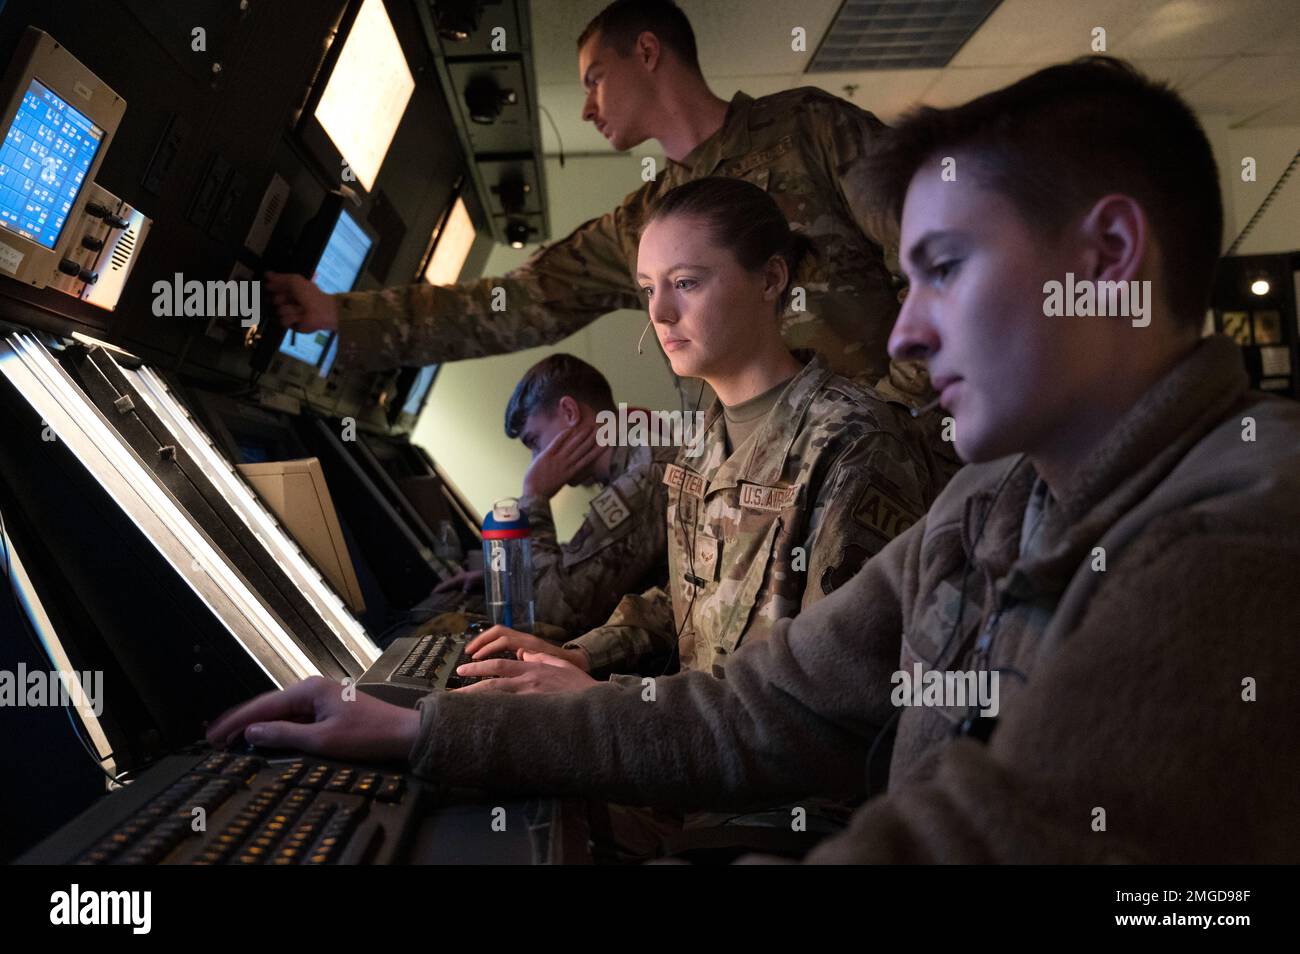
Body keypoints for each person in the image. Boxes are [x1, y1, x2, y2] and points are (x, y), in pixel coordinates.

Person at [209, 58, 1300, 863]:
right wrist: (425, 728)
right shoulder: (990, 503)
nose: (906, 336)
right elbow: (755, 707)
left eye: (945, 269)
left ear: (1105, 257)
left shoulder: (1238, 538)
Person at [264, 0, 918, 400]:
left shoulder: (807, 127)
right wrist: (339, 314)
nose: (585, 108)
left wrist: (906, 405)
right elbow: (509, 305)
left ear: (648, 52)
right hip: (777, 488)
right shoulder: (642, 224)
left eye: (595, 80)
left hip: (894, 464)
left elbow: (939, 251)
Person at [450, 176, 941, 690]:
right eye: (648, 288)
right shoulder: (701, 444)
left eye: (685, 283)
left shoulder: (854, 444)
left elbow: (829, 690)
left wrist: (604, 703)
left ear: (771, 279)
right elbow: (695, 600)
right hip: (693, 738)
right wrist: (579, 656)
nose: (659, 313)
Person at [431, 353, 675, 637]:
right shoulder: (639, 458)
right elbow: (584, 561)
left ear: (570, 412)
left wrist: (534, 495)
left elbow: (554, 611)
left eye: (534, 441)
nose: (536, 460)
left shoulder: (643, 478)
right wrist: (506, 577)